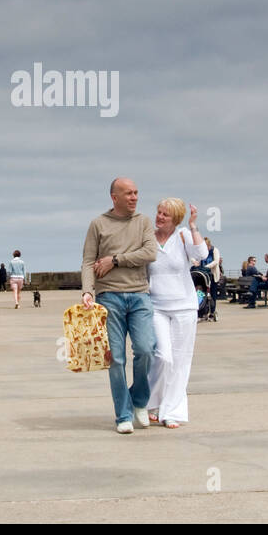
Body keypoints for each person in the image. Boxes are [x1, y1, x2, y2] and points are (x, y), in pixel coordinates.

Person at [81, 177, 158, 434]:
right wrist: (87, 292)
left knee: (147, 350)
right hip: (109, 297)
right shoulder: (98, 224)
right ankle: (123, 415)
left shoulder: (144, 222)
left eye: (136, 192)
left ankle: (139, 402)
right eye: (128, 194)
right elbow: (88, 261)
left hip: (139, 295)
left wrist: (115, 260)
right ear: (114, 197)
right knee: (115, 358)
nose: (134, 197)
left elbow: (150, 254)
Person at [146, 198, 207, 429]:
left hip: (184, 307)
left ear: (176, 219)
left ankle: (172, 411)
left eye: (166, 215)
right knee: (162, 356)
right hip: (156, 306)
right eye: (159, 212)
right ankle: (153, 403)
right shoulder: (148, 237)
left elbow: (201, 254)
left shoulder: (183, 236)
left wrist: (193, 226)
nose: (160, 217)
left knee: (180, 360)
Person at [201, 237, 222, 306]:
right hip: (202, 274)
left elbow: (216, 261)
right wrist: (195, 261)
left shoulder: (215, 250)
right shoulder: (201, 251)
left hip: (213, 275)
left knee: (213, 293)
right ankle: (201, 307)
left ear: (208, 245)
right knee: (201, 291)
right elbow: (195, 257)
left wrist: (206, 266)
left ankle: (212, 310)